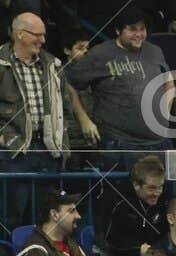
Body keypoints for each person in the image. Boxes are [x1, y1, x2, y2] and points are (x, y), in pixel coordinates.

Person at [0, 9, 80, 228]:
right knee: (14, 218)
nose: (43, 40)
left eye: (44, 35)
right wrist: (5, 138)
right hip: (14, 153)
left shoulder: (53, 65)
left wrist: (64, 140)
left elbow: (65, 109)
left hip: (49, 152)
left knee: (48, 218)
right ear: (20, 34)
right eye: (38, 35)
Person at [65, 9, 170, 162]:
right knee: (120, 186)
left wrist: (165, 110)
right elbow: (69, 82)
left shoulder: (155, 51)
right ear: (117, 30)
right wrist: (84, 120)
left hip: (159, 142)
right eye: (132, 29)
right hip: (119, 144)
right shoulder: (100, 54)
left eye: (142, 29)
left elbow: (169, 79)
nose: (139, 34)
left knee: (162, 185)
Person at [99, 155, 165, 256]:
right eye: (152, 188)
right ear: (136, 185)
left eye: (160, 187)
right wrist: (138, 250)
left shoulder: (164, 201)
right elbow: (110, 244)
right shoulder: (119, 203)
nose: (157, 193)